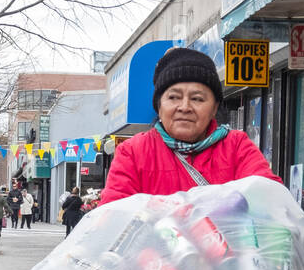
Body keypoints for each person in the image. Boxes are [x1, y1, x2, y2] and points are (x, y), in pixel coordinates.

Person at [99, 47, 280, 205]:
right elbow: (113, 218)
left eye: (197, 99)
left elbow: (269, 200)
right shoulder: (133, 152)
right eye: (174, 97)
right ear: (159, 106)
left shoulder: (236, 146)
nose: (185, 107)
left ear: (214, 107)